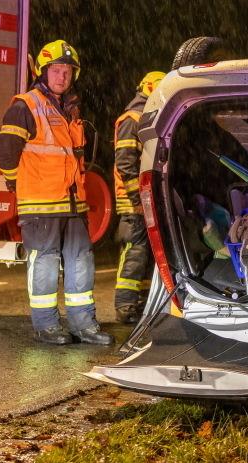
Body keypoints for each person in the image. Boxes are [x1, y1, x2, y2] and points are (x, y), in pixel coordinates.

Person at [0, 39, 113, 345]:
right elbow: (7, 152)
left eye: (68, 71)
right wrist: (16, 183)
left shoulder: (70, 110)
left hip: (73, 204)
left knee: (81, 261)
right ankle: (47, 324)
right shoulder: (26, 105)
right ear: (43, 71)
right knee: (45, 262)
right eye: (57, 69)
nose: (63, 76)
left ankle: (83, 324)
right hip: (41, 204)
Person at [113, 71, 165, 324]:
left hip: (145, 200)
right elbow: (125, 163)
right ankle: (125, 306)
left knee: (146, 254)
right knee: (135, 252)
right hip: (134, 203)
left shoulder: (148, 118)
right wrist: (137, 197)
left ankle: (140, 303)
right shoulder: (132, 119)